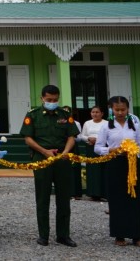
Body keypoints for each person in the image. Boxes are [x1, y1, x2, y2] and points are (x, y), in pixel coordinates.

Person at [19, 84, 77, 247]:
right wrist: (45, 152)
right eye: (49, 99)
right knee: (43, 197)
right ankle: (43, 235)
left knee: (64, 198)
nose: (52, 102)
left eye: (55, 99)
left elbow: (72, 136)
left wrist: (65, 151)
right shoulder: (33, 115)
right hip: (42, 159)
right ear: (42, 98)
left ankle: (63, 235)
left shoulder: (65, 114)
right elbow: (28, 138)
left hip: (62, 159)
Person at [94, 96, 140, 247]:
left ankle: (136, 236)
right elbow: (98, 148)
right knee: (117, 199)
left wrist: (135, 151)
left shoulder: (134, 125)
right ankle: (119, 235)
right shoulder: (106, 127)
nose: (120, 112)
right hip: (115, 163)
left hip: (133, 164)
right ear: (111, 110)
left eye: (123, 109)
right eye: (117, 110)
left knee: (134, 198)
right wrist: (111, 149)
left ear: (128, 109)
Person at [78, 105, 106, 201]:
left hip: (102, 148)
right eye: (93, 112)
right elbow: (82, 135)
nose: (95, 114)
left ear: (102, 113)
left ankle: (103, 193)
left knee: (101, 169)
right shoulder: (87, 123)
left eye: (97, 112)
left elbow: (109, 135)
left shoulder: (106, 123)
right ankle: (92, 193)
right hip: (90, 147)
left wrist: (98, 140)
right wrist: (89, 138)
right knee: (91, 170)